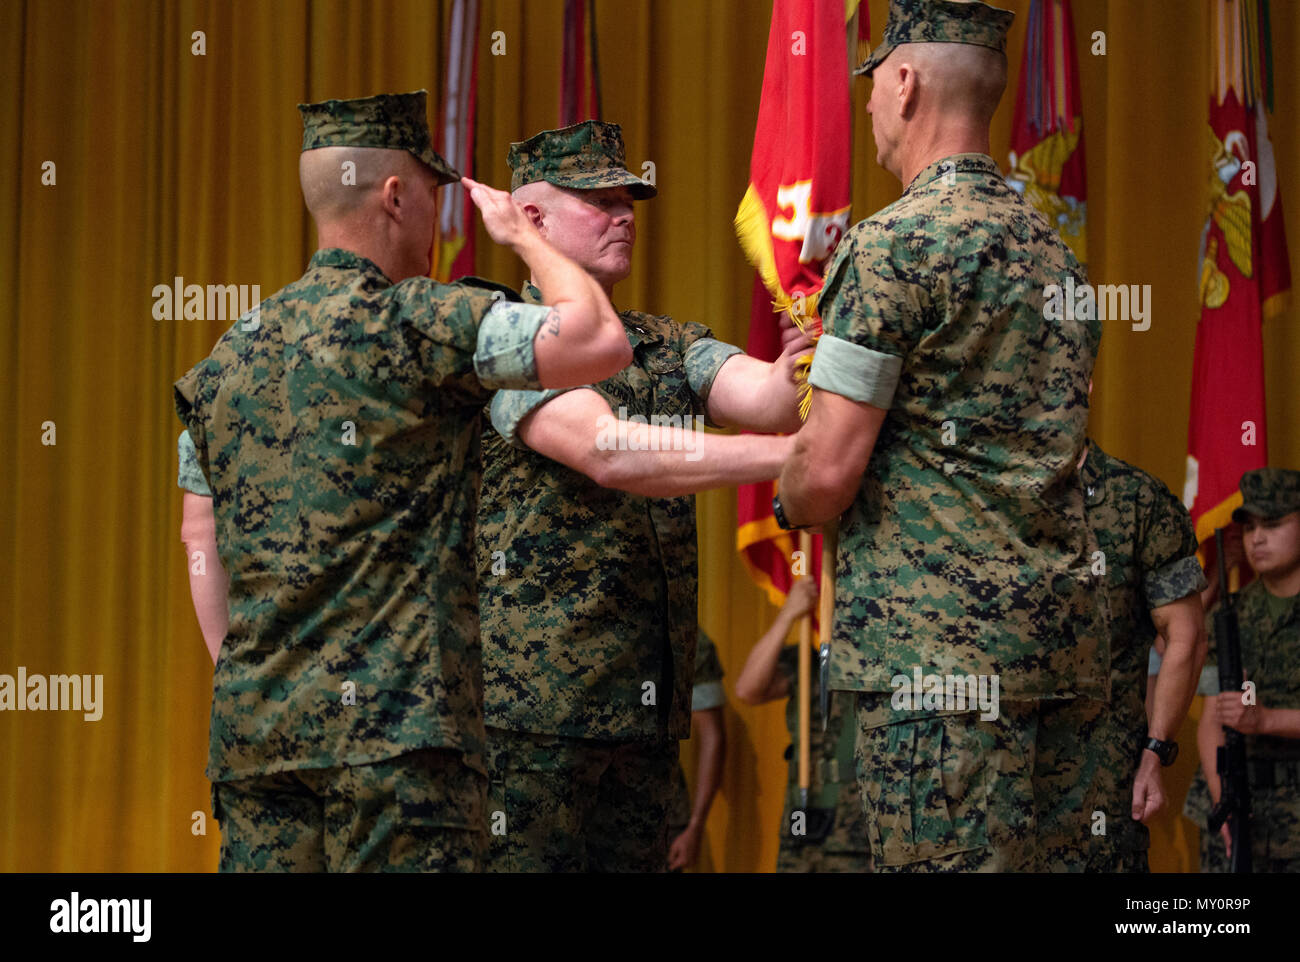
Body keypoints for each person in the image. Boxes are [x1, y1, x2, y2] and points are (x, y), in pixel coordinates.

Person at [172, 90, 631, 873]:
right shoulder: (418, 322)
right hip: (399, 747)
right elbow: (597, 339)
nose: (439, 219)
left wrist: (253, 682)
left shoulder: (230, 355)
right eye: (432, 195)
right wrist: (525, 240)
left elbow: (198, 534)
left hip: (258, 740)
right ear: (394, 195)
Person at [775, 0, 1108, 872]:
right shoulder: (1057, 253)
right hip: (1059, 661)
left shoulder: (892, 249)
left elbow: (827, 473)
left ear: (905, 81)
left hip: (937, 672)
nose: (871, 111)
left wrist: (785, 489)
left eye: (874, 86)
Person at [478, 120, 811, 872]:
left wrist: (807, 363)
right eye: (600, 198)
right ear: (532, 220)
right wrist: (791, 457)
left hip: (646, 718)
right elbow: (609, 452)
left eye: (629, 197)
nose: (626, 213)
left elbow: (762, 395)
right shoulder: (504, 337)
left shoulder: (664, 340)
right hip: (536, 724)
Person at [1074, 437, 1207, 872]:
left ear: (1086, 384)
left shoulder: (1138, 499)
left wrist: (1155, 752)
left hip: (1102, 787)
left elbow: (1185, 636)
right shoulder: (983, 492)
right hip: (998, 787)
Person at [1189, 468, 1300, 872]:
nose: (1257, 538)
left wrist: (1268, 719)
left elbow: (1255, 717)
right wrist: (1225, 801)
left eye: (1273, 524)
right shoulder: (1230, 613)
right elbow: (1211, 719)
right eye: (1250, 526)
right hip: (1238, 810)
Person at [735, 578, 872, 872]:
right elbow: (748, 689)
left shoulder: (878, 661)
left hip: (857, 831)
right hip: (801, 817)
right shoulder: (806, 658)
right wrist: (788, 615)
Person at [666, 630, 727, 872]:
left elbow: (712, 735)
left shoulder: (684, 635)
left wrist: (695, 826)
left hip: (658, 815)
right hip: (573, 804)